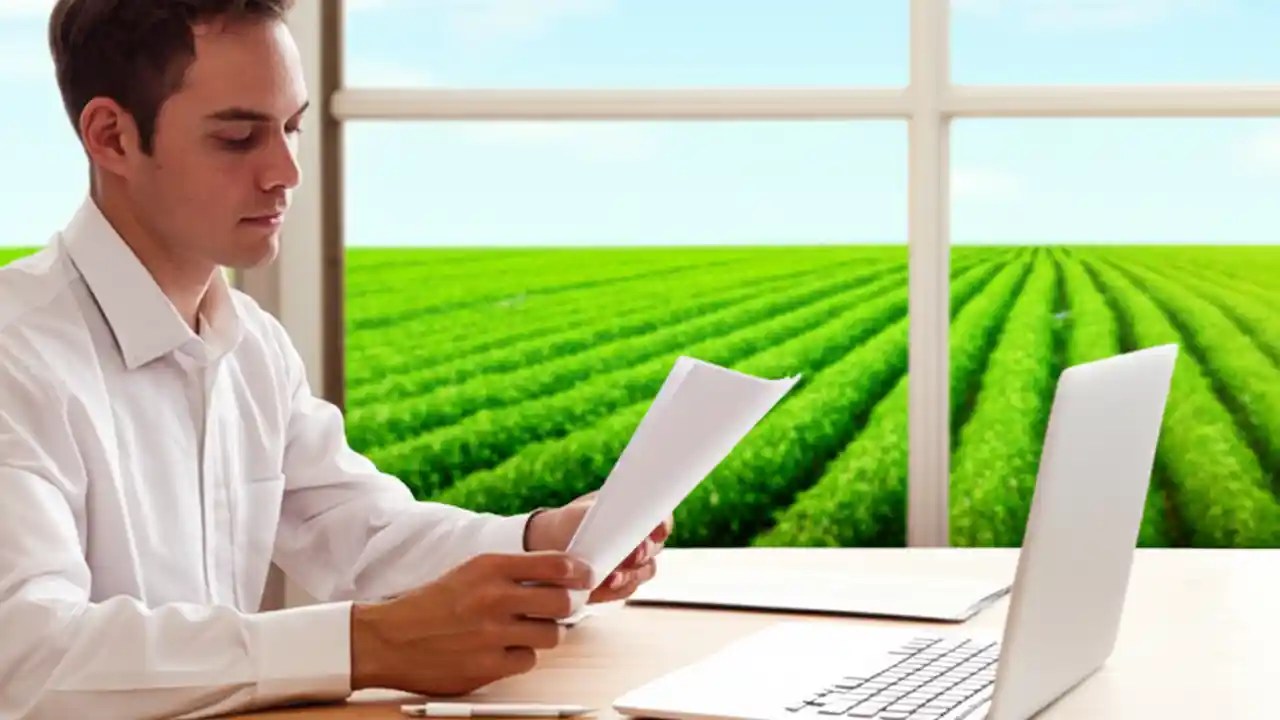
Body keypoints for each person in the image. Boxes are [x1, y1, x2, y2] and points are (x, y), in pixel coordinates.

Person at [0, 1, 673, 718]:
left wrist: (540, 545)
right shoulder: (17, 354)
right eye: (237, 137)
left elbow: (361, 533)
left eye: (291, 126)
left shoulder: (251, 343)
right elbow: (28, 654)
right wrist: (363, 645)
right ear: (111, 136)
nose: (286, 171)